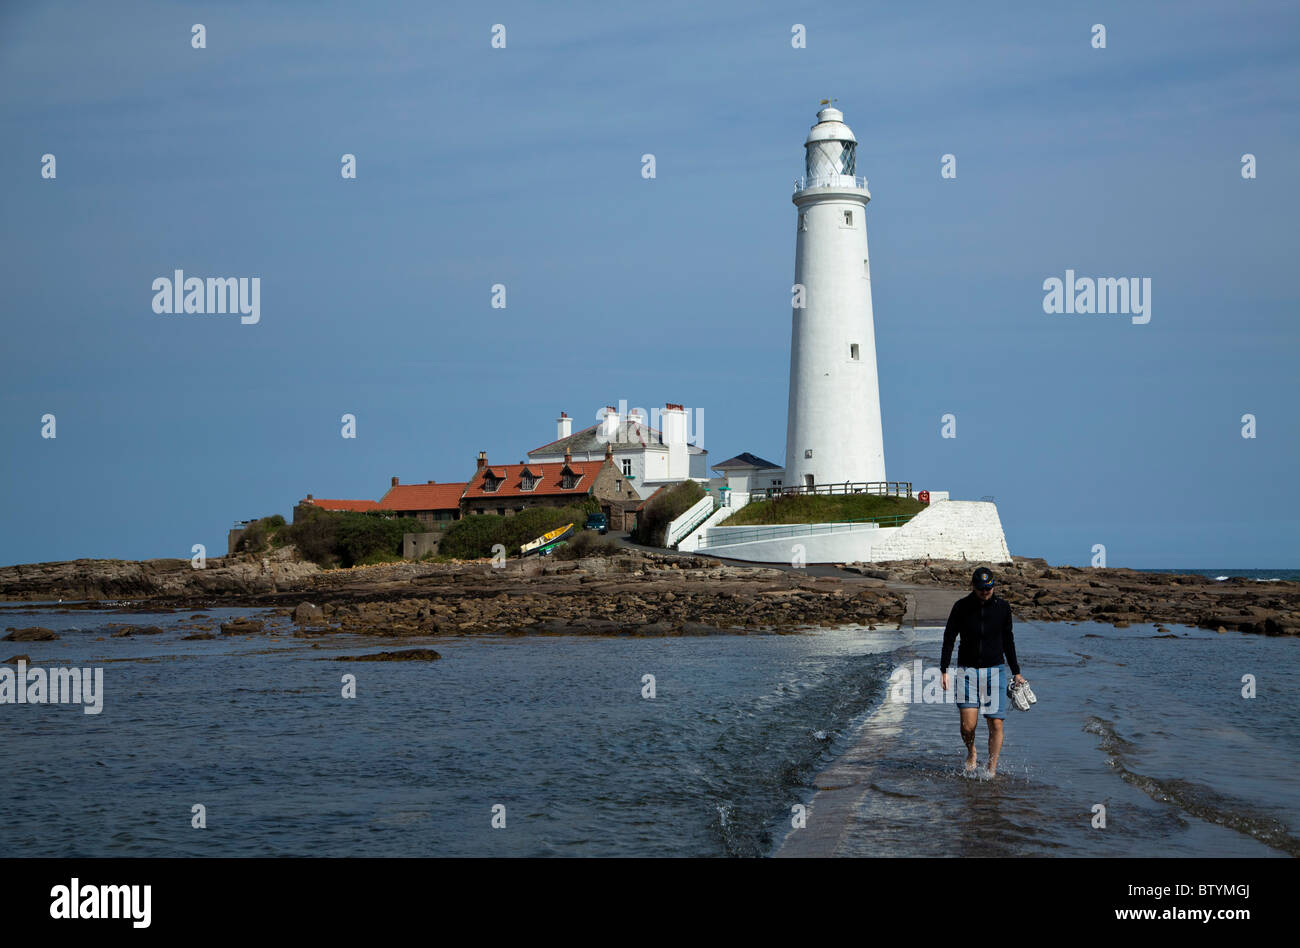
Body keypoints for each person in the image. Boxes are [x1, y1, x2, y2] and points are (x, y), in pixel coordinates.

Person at [939, 566, 1027, 776]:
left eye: (988, 588)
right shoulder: (961, 607)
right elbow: (949, 638)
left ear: (993, 586)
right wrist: (943, 669)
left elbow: (1008, 640)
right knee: (968, 727)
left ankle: (991, 769)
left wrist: (1016, 671)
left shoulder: (1003, 608)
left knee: (995, 723)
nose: (985, 592)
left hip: (995, 671)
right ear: (973, 587)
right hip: (966, 672)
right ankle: (971, 752)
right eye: (981, 589)